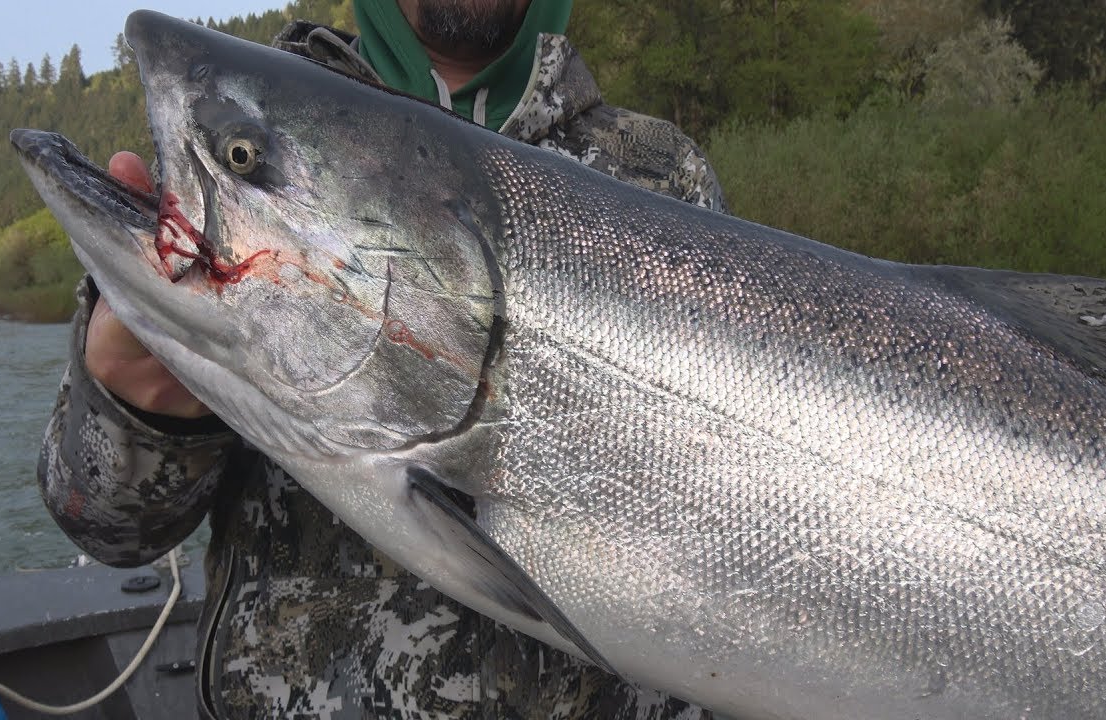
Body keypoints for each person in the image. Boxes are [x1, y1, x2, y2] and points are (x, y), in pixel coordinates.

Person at [38, 1, 729, 717]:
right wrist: (136, 412)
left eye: (242, 157)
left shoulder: (659, 173)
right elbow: (105, 525)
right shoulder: (247, 131)